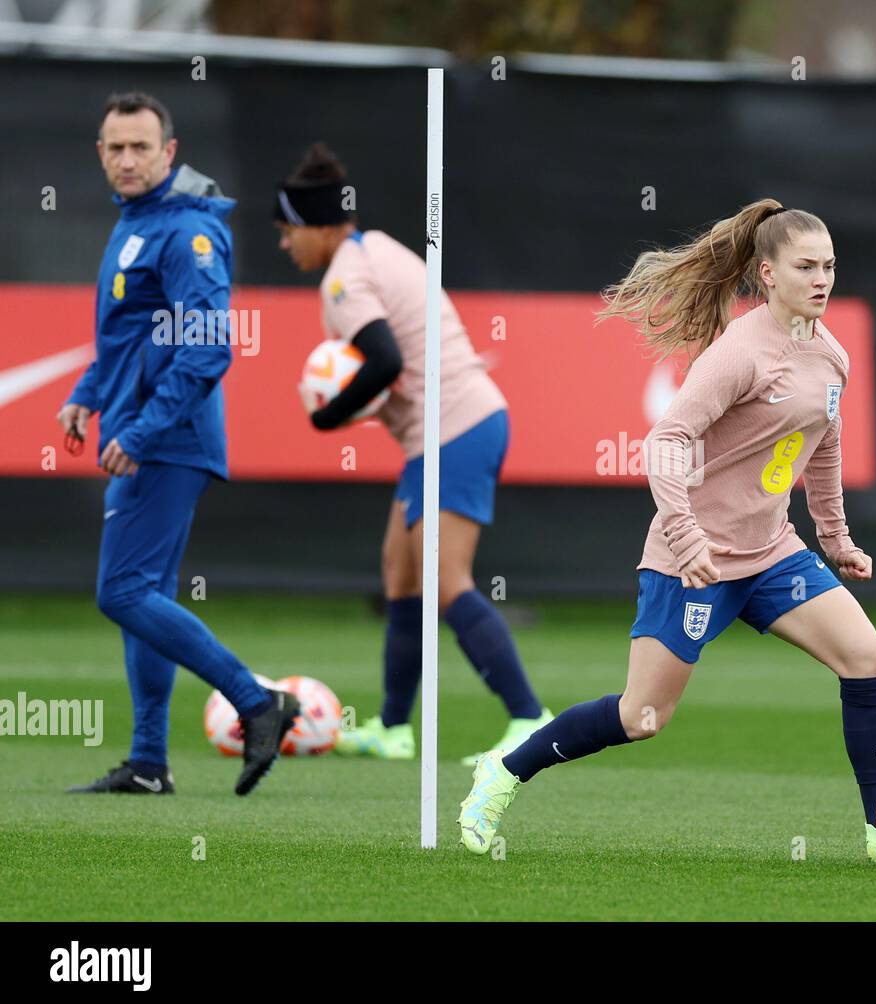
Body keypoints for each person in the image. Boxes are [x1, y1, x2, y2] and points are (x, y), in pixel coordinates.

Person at [458, 198, 876, 862]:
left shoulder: (830, 354)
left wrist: (834, 538)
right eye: (805, 266)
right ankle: (506, 770)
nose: (821, 279)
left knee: (868, 659)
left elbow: (824, 444)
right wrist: (687, 535)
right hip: (692, 559)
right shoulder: (740, 352)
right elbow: (666, 440)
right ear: (767, 273)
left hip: (772, 552)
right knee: (643, 718)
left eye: (830, 265)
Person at [273, 143, 552, 763]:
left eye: (288, 231)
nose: (284, 244)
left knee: (446, 583)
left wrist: (328, 415)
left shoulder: (345, 277)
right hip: (446, 430)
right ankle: (394, 728)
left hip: (457, 426)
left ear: (319, 225)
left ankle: (530, 718)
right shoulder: (372, 251)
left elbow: (385, 362)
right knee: (402, 576)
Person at [61, 92, 298, 797]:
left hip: (166, 438)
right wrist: (87, 394)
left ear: (170, 152)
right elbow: (125, 336)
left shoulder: (189, 230)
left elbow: (207, 349)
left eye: (141, 146)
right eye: (115, 147)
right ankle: (148, 762)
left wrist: (138, 430)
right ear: (100, 153)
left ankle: (256, 700)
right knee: (149, 594)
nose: (127, 159)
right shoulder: (135, 221)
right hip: (140, 432)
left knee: (122, 591)